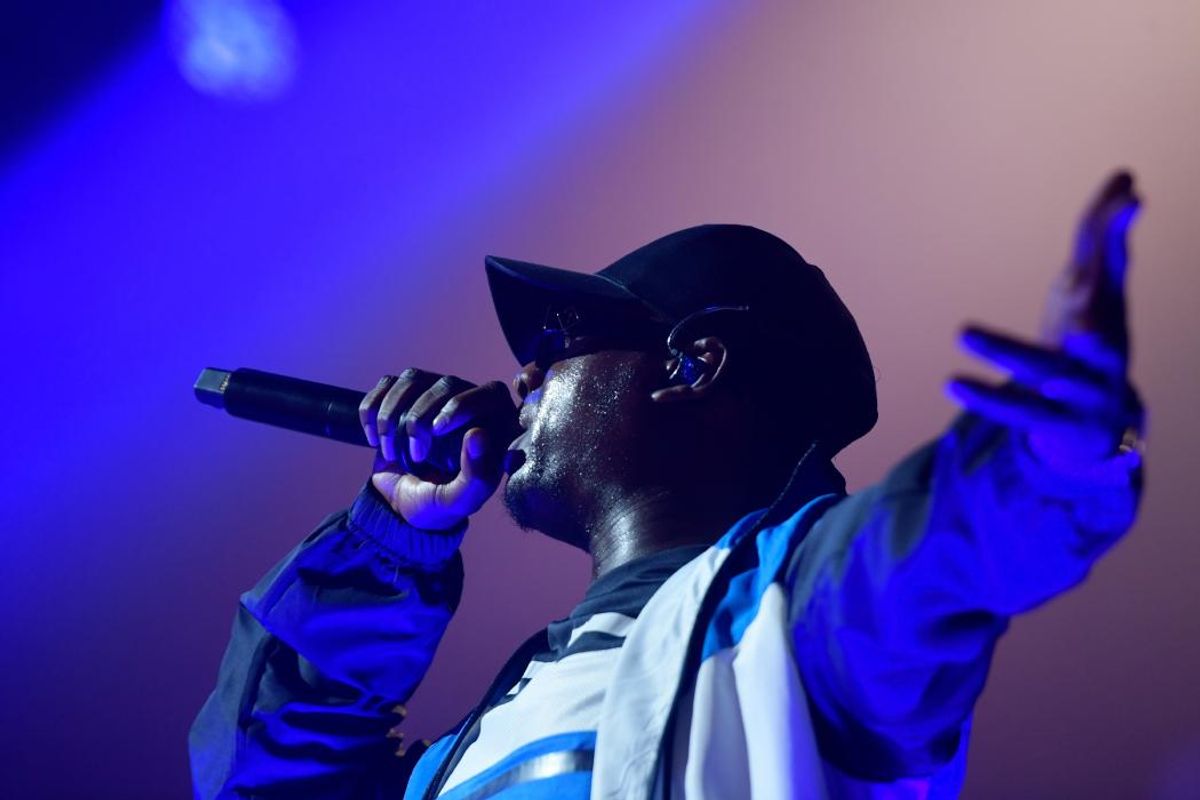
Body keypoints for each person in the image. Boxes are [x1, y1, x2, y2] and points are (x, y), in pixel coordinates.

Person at [190, 172, 1145, 799]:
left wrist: (1046, 464)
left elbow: (929, 557)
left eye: (561, 340)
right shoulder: (477, 742)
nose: (523, 378)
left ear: (691, 366)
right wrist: (392, 542)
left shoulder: (790, 621)